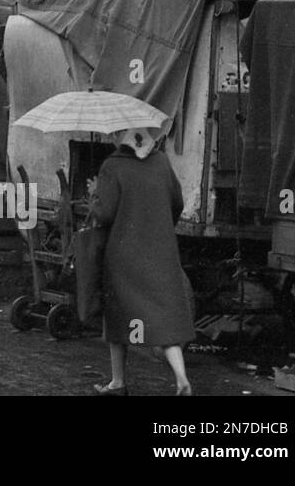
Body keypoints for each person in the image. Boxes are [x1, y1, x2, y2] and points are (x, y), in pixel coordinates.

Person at [90, 129, 195, 396]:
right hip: (160, 250)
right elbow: (177, 202)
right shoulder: (161, 161)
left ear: (119, 138)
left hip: (123, 254)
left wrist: (94, 195)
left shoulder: (112, 166)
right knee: (164, 319)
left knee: (118, 316)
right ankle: (181, 377)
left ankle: (117, 382)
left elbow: (103, 214)